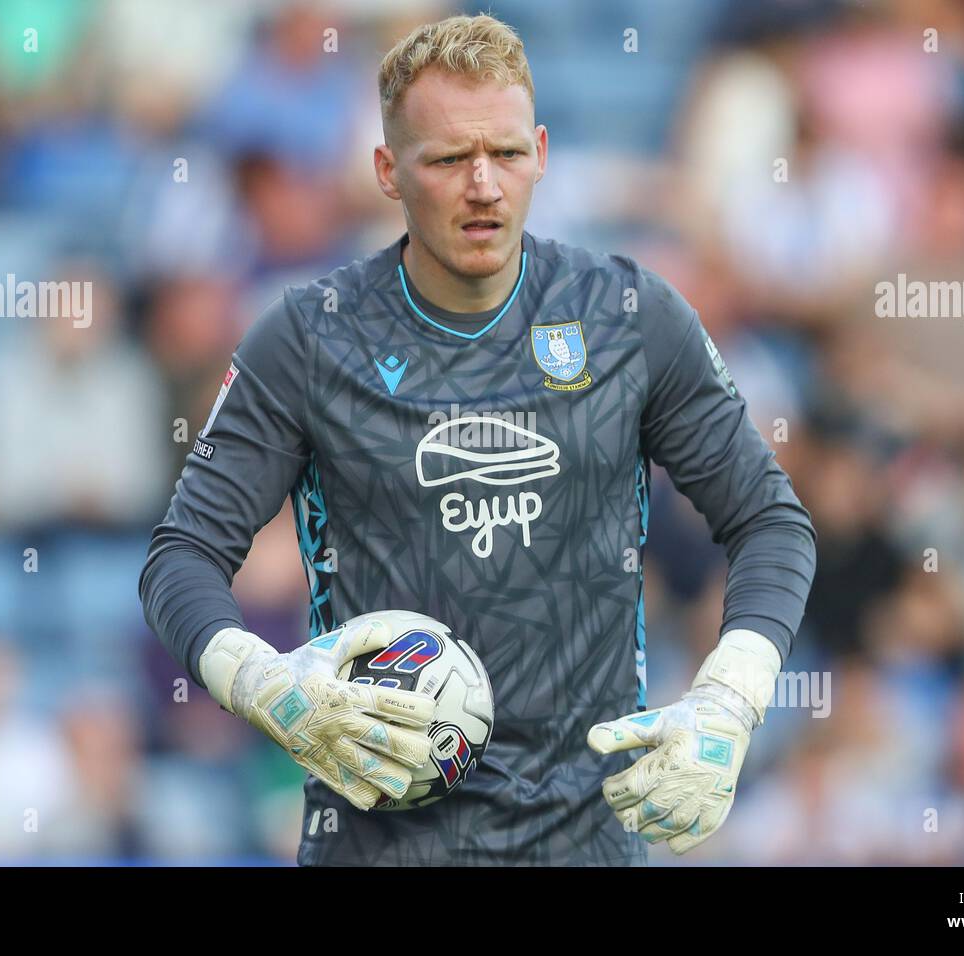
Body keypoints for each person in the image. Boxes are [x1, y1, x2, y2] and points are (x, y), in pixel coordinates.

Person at [139, 13, 816, 866]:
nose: (485, 185)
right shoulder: (309, 338)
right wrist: (268, 685)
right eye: (449, 159)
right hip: (373, 846)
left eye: (506, 153)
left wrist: (729, 698)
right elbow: (181, 556)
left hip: (585, 848)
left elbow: (770, 522)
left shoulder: (628, 317)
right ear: (389, 171)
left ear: (541, 150)